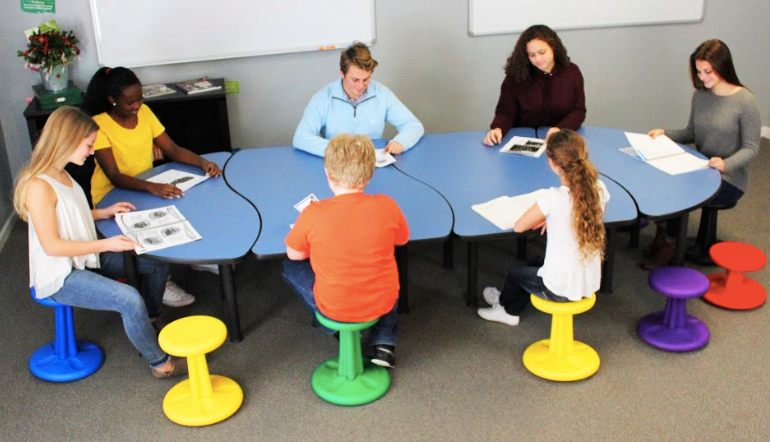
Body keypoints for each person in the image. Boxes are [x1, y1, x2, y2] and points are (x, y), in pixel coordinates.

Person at [13, 106, 187, 378]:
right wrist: (106, 244)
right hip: (61, 274)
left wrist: (102, 213)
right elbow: (52, 246)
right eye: (88, 145)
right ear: (67, 140)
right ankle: (161, 364)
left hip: (84, 258)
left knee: (156, 263)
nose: (92, 151)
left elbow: (68, 214)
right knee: (129, 299)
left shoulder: (63, 173)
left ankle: (151, 318)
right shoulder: (39, 186)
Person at [82, 66, 223, 305]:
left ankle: (197, 258)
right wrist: (152, 188)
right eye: (130, 102)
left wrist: (202, 162)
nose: (137, 105)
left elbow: (172, 149)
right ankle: (162, 281)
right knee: (154, 230)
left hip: (146, 185)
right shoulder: (99, 125)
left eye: (140, 99)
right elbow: (114, 175)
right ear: (113, 100)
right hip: (112, 195)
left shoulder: (145, 113)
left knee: (189, 204)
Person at [282, 134, 410, 368]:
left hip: (336, 306)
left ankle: (339, 331)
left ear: (328, 174)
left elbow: (295, 255)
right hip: (382, 301)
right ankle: (384, 344)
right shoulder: (387, 205)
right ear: (370, 175)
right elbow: (402, 240)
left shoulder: (313, 213)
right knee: (387, 273)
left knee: (289, 267)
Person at [642, 39, 760, 270]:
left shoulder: (745, 101)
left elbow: (751, 148)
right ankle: (663, 235)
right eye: (698, 72)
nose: (703, 78)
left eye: (708, 72)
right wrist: (665, 133)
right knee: (664, 180)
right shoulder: (701, 96)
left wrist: (725, 164)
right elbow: (691, 132)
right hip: (701, 169)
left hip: (729, 177)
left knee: (680, 193)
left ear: (723, 67)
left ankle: (670, 245)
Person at [477, 130, 609, 325]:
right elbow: (593, 216)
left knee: (514, 273)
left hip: (560, 289)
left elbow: (519, 227)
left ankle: (507, 311)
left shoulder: (554, 197)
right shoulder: (599, 188)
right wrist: (554, 219)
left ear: (553, 163)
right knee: (535, 262)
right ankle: (508, 299)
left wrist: (548, 215)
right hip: (587, 282)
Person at [293, 42, 424, 157]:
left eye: (366, 79)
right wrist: (341, 150)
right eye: (355, 80)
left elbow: (413, 125)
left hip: (371, 162)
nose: (361, 86)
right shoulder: (323, 98)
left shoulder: (382, 94)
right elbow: (301, 137)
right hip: (338, 163)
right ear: (342, 74)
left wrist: (400, 141)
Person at [483, 24, 586, 146]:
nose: (537, 59)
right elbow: (505, 112)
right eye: (531, 55)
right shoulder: (516, 76)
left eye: (542, 52)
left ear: (554, 48)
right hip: (523, 140)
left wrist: (560, 129)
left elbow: (579, 110)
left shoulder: (572, 73)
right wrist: (498, 128)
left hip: (561, 140)